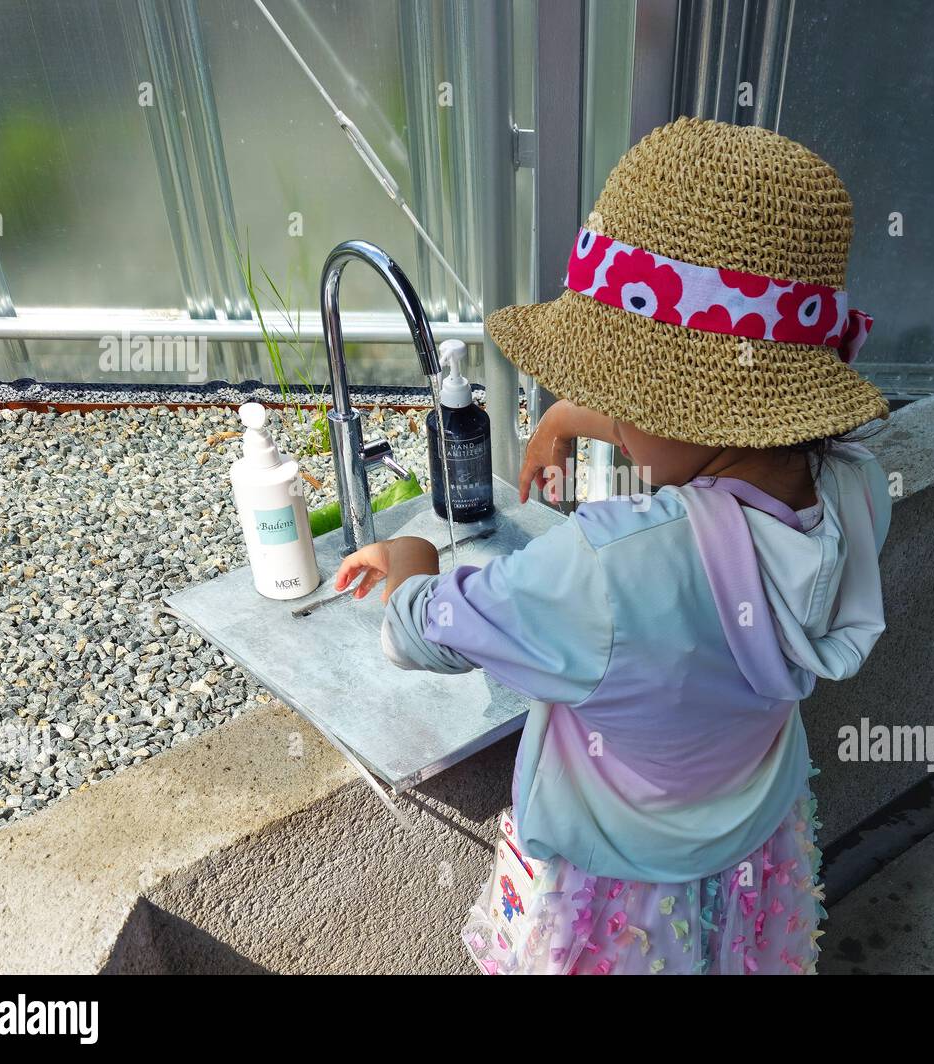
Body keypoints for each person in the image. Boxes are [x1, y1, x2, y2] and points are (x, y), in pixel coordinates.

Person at [334, 116, 893, 974]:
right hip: (752, 845)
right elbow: (709, 438)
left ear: (693, 406)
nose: (619, 427)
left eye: (624, 394)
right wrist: (564, 416)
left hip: (615, 897)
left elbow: (419, 632)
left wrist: (414, 559)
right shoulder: (854, 489)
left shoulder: (605, 568)